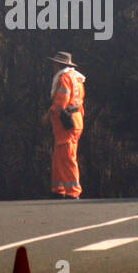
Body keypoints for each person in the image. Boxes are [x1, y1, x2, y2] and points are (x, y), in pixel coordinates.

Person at [42, 52, 85, 199]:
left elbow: (61, 102)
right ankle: (59, 189)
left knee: (66, 157)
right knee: (60, 156)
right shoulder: (77, 78)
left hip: (66, 122)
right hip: (75, 120)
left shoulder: (64, 78)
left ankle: (73, 191)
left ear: (58, 65)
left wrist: (48, 115)